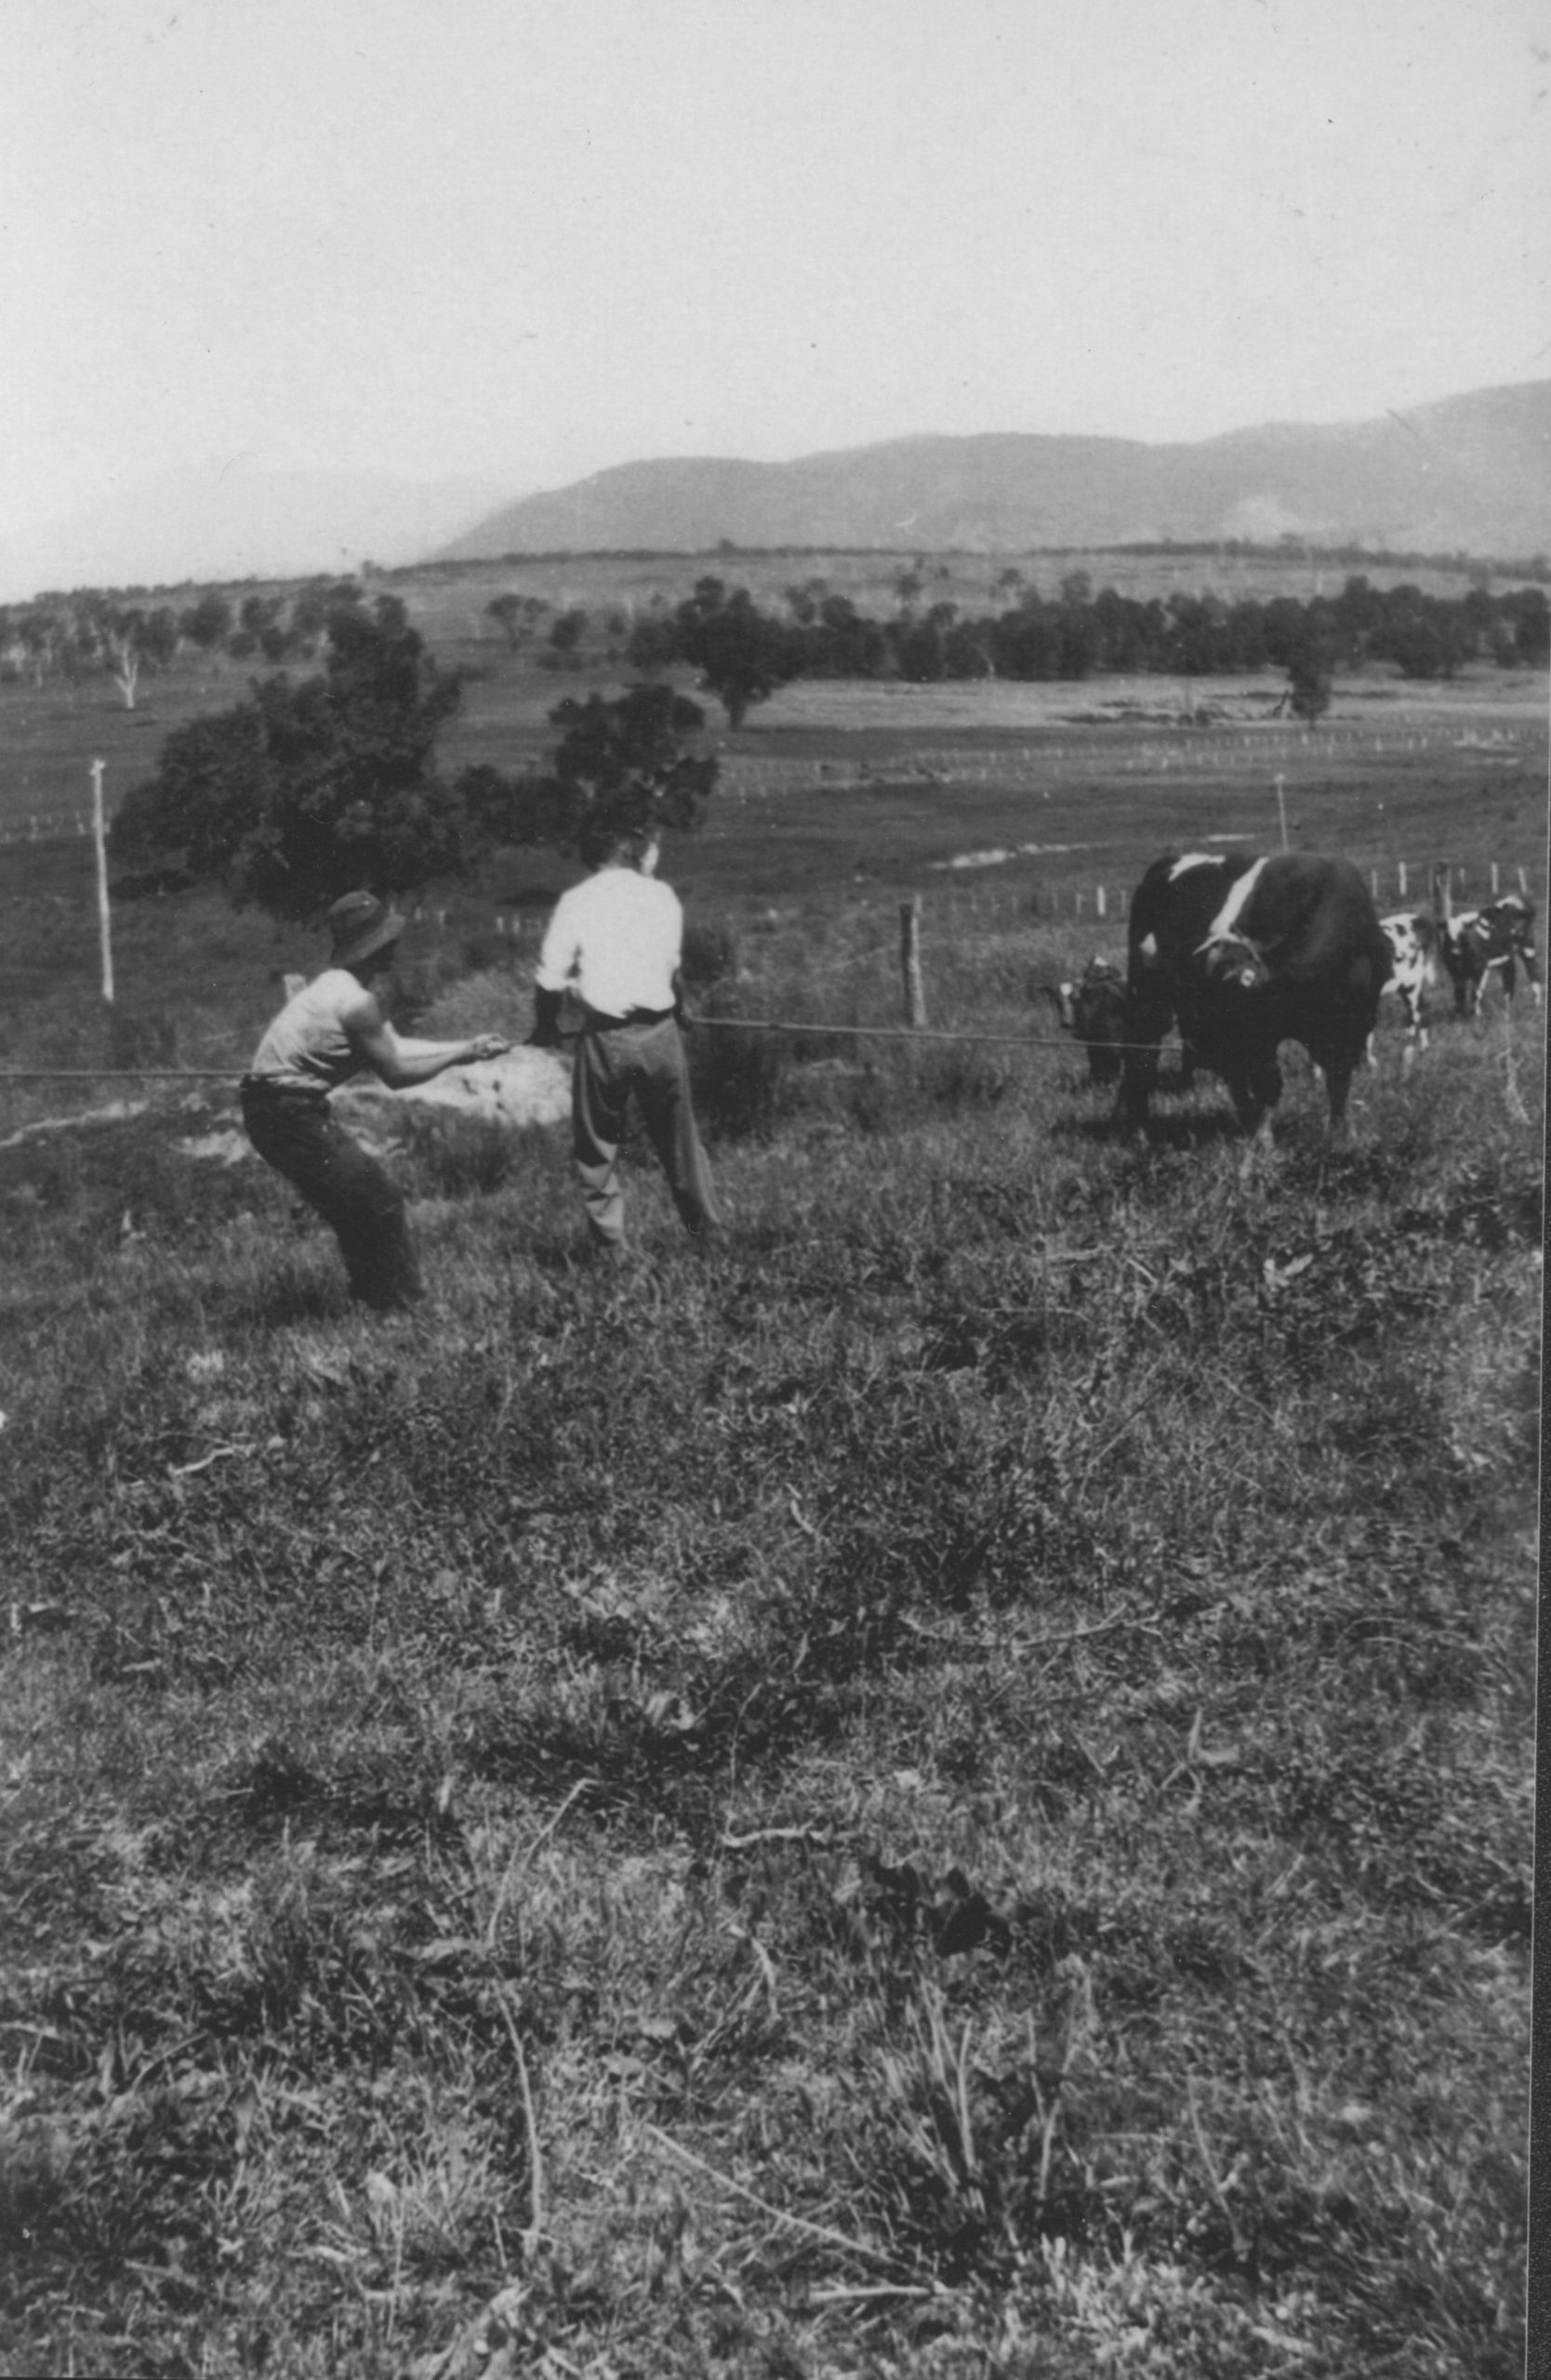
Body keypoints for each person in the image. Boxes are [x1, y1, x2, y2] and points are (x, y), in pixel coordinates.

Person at [241, 891, 508, 1311]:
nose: (395, 950)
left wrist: (469, 1044)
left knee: (357, 1204)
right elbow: (397, 1074)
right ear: (374, 946)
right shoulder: (356, 1003)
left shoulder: (335, 986)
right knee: (377, 1199)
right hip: (286, 1113)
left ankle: (375, 1302)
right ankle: (405, 1308)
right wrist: (462, 1056)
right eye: (389, 942)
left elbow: (394, 1046)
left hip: (275, 1109)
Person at [528, 820, 721, 1257]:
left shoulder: (577, 900)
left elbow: (550, 978)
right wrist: (681, 1009)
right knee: (680, 1141)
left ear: (589, 858)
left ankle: (613, 1250)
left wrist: (545, 1027)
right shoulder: (661, 894)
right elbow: (673, 969)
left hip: (605, 1038)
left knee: (597, 1147)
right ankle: (707, 1234)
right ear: (628, 851)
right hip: (660, 1033)